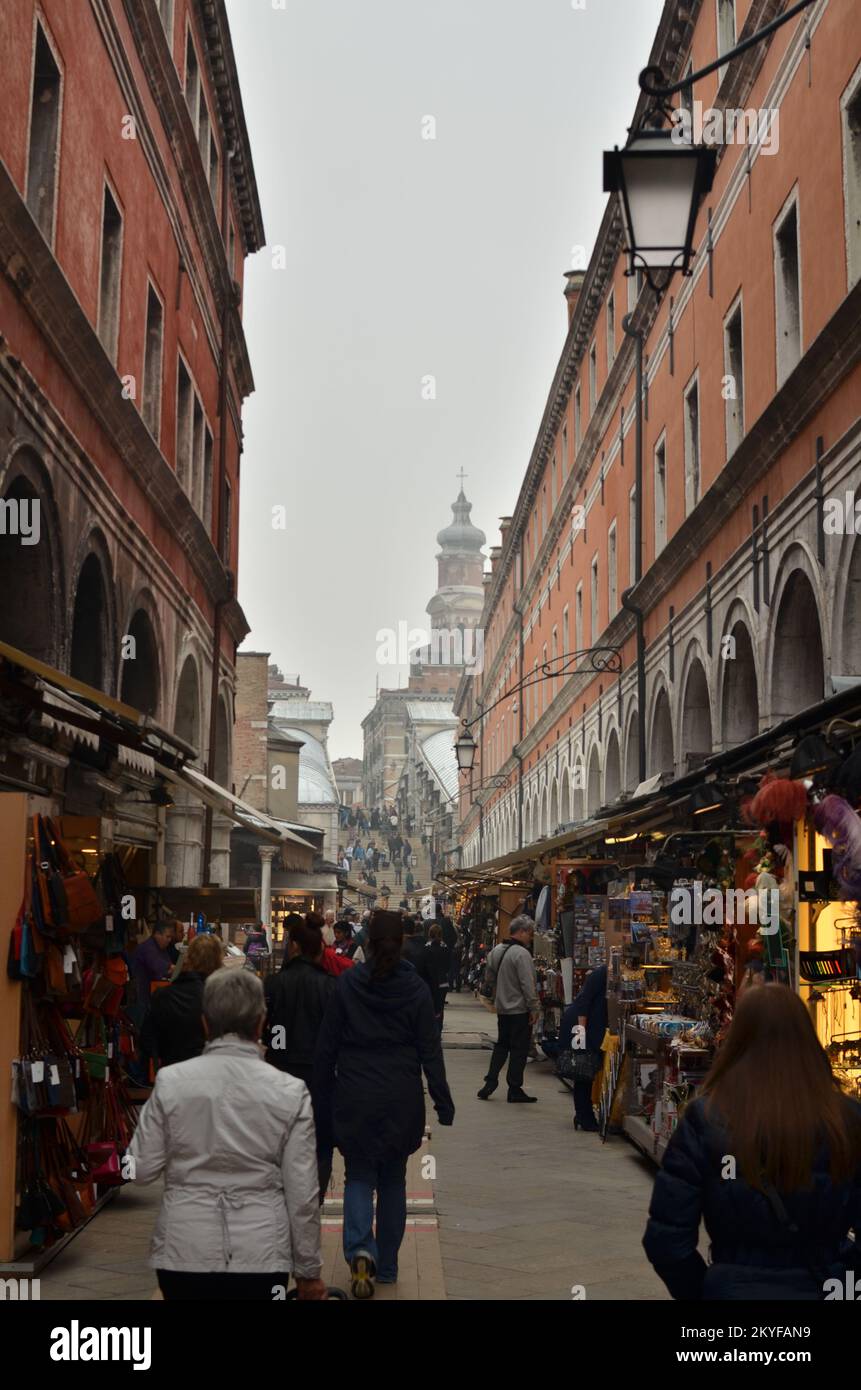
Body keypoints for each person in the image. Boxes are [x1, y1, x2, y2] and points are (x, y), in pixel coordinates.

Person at [643, 984, 861, 1300]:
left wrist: (705, 1291)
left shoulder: (706, 1119)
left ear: (738, 1041)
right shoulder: (848, 1120)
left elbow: (666, 1241)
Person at [128, 968, 326, 1301]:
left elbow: (141, 1170)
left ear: (205, 1023)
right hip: (261, 1253)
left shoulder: (170, 1082)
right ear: (261, 1023)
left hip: (184, 1249)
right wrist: (308, 1270)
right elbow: (303, 1190)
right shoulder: (290, 1092)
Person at [314, 911, 454, 1299]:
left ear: (367, 943)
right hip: (400, 1095)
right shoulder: (416, 989)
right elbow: (430, 1048)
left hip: (355, 1092)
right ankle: (387, 1265)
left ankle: (361, 1250)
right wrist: (442, 1099)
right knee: (393, 1178)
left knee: (359, 1175)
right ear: (403, 942)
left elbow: (326, 1047)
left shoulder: (348, 983)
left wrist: (317, 1096)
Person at [264, 915, 336, 1202]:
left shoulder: (274, 983)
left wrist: (277, 1047)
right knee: (319, 1144)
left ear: (293, 946)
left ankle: (283, 1197)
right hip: (320, 1076)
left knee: (282, 1140)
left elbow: (269, 1027)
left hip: (281, 1072)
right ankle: (311, 1201)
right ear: (319, 950)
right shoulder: (330, 986)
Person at [477, 916, 539, 1104]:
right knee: (519, 1049)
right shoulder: (522, 954)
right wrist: (534, 1007)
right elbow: (527, 983)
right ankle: (514, 1088)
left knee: (502, 1045)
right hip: (519, 1009)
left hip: (502, 1007)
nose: (531, 937)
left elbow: (488, 978)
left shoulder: (496, 950)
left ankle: (490, 1081)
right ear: (521, 932)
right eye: (529, 933)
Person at [145, 933, 225, 1069]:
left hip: (171, 1074)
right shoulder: (219, 998)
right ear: (218, 961)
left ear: (188, 958)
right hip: (209, 1076)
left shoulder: (162, 995)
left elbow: (147, 1042)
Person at [560, 962, 608, 1131]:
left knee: (586, 1071)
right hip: (581, 1025)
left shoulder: (607, 974)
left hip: (590, 1026)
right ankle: (584, 1117)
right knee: (583, 1070)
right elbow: (583, 1001)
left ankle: (583, 1114)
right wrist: (581, 1034)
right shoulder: (601, 974)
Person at [425, 923, 451, 1033]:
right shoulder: (445, 947)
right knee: (440, 1007)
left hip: (429, 981)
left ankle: (430, 1029)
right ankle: (438, 1029)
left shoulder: (427, 947)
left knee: (429, 1006)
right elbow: (448, 965)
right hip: (442, 981)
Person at [401, 914, 435, 998]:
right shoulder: (425, 945)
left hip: (403, 990)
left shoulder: (397, 946)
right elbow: (430, 970)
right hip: (421, 988)